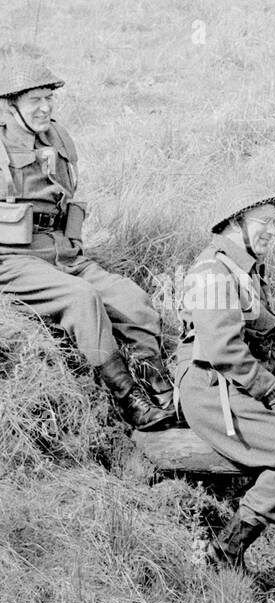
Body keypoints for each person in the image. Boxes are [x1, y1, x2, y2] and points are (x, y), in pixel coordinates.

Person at [0, 56, 171, 429]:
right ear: (9, 105)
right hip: (12, 258)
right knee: (82, 298)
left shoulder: (57, 138)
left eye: (49, 98)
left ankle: (160, 387)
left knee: (131, 298)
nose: (45, 107)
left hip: (63, 250)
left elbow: (68, 193)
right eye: (34, 100)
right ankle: (130, 400)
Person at [177, 183, 275, 569]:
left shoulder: (248, 272)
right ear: (236, 221)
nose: (272, 230)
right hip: (209, 386)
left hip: (240, 383)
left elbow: (274, 340)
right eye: (263, 222)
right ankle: (227, 550)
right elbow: (225, 352)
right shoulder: (212, 271)